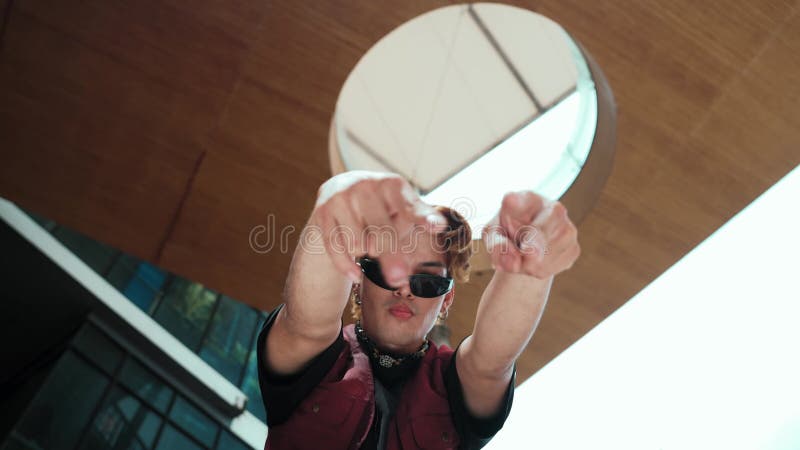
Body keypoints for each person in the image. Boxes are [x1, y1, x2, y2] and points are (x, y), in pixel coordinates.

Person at [257, 171, 581, 449]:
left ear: (446, 299)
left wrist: (532, 256)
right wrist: (337, 201)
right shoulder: (313, 356)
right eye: (387, 269)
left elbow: (491, 362)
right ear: (357, 280)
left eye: (427, 281)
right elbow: (306, 323)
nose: (405, 289)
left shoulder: (457, 383)